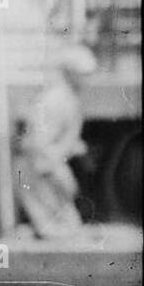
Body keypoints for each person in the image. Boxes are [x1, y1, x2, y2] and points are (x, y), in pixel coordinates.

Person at [12, 43, 96, 239]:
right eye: (82, 73)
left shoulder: (67, 98)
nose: (87, 79)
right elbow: (38, 144)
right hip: (37, 170)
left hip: (43, 167)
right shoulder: (56, 100)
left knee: (66, 228)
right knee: (59, 232)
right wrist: (57, 173)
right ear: (69, 72)